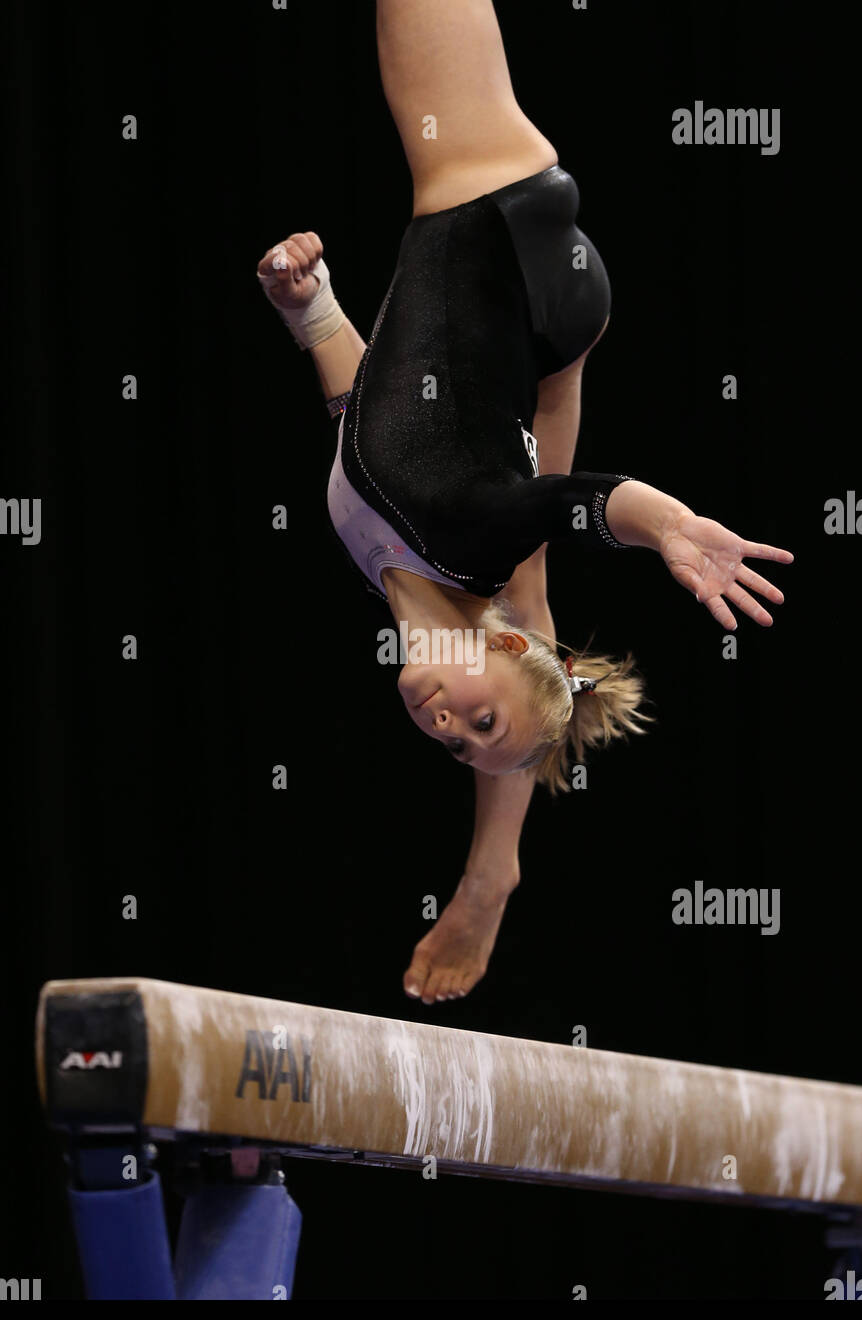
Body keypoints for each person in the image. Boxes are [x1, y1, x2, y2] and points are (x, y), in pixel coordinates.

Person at [256, 0, 793, 1006]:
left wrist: (309, 308)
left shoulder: (391, 564)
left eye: (456, 741)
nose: (447, 726)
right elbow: (585, 501)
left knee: (528, 592)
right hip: (496, 209)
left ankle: (493, 868)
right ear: (492, 654)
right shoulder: (471, 532)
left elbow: (366, 419)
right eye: (476, 719)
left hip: (543, 342)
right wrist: (670, 526)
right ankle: (492, 870)